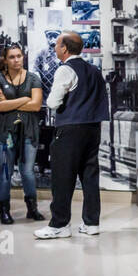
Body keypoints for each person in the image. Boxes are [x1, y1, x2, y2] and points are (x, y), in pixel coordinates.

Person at [36, 32, 109, 239]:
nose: (55, 48)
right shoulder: (94, 70)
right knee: (90, 176)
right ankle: (91, 223)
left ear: (65, 49)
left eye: (57, 45)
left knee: (62, 177)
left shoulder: (65, 69)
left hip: (70, 128)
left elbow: (53, 102)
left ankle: (59, 224)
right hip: (93, 127)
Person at [0, 43, 45, 224]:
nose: (16, 60)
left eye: (19, 56)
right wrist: (24, 99)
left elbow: (36, 105)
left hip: (28, 130)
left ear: (23, 57)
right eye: (12, 57)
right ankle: (4, 210)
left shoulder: (33, 78)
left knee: (27, 171)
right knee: (5, 172)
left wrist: (10, 102)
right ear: (5, 60)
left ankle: (32, 208)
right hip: (5, 132)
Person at [33, 30, 62, 175]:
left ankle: (55, 163)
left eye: (54, 36)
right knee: (44, 133)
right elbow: (35, 70)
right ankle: (42, 162)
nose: (52, 38)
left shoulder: (62, 54)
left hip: (59, 101)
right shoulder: (41, 54)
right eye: (49, 36)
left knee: (57, 133)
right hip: (43, 101)